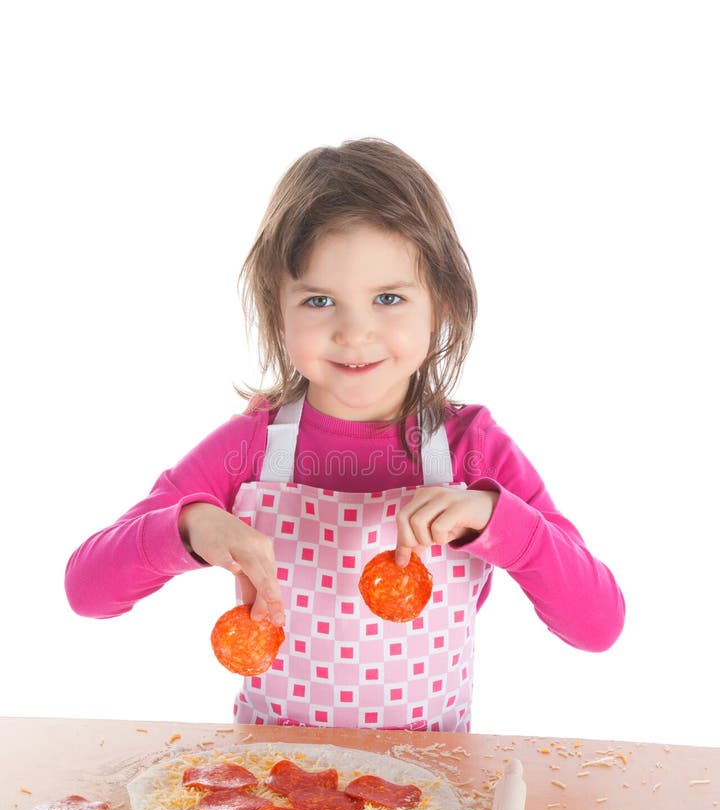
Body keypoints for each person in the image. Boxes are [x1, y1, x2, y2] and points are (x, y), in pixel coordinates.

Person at [65, 137, 625, 733]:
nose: (355, 333)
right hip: (269, 776)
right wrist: (188, 528)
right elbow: (86, 591)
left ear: (441, 303)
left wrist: (497, 518)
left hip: (434, 779)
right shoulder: (248, 448)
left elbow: (597, 625)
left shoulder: (473, 451)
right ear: (277, 311)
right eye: (319, 300)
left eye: (388, 298)